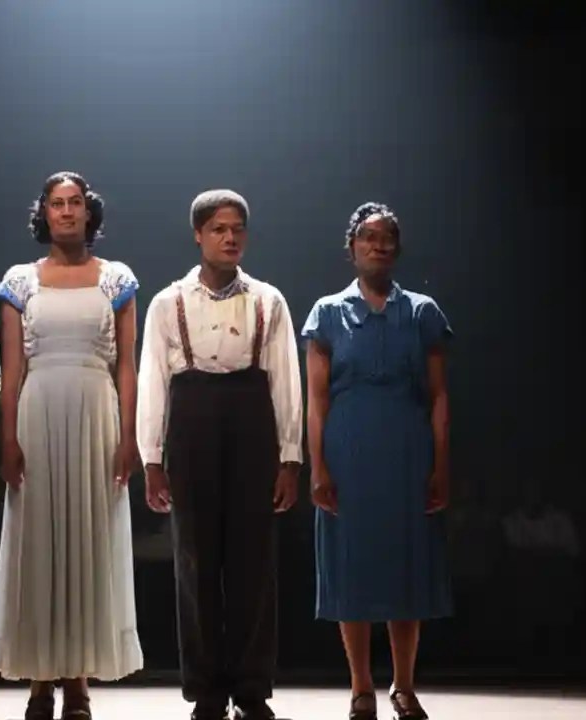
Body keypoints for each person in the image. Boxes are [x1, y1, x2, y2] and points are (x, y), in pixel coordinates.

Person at [136, 189, 302, 720]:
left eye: (238, 229)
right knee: (195, 563)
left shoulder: (268, 300)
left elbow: (286, 383)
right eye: (219, 229)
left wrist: (290, 459)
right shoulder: (169, 303)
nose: (230, 238)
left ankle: (252, 689)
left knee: (253, 563)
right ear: (198, 235)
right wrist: (152, 459)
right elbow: (153, 383)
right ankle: (205, 690)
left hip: (251, 419)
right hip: (192, 420)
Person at [0, 171, 144, 719]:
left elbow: (127, 365)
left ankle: (77, 680)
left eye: (76, 202)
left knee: (86, 537)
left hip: (96, 410)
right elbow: (12, 370)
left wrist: (131, 436)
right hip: (38, 411)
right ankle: (38, 678)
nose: (68, 211)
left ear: (89, 212)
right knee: (39, 539)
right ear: (45, 213)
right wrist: (7, 439)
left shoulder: (116, 279)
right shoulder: (19, 281)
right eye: (57, 203)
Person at [301, 202, 453, 720]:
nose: (378, 244)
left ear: (398, 248)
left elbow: (437, 395)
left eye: (387, 237)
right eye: (368, 236)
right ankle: (361, 686)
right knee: (353, 566)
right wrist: (317, 465)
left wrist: (440, 464)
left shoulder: (423, 311)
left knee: (405, 566)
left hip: (407, 447)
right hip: (349, 447)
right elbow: (316, 399)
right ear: (352, 247)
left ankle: (405, 686)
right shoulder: (326, 312)